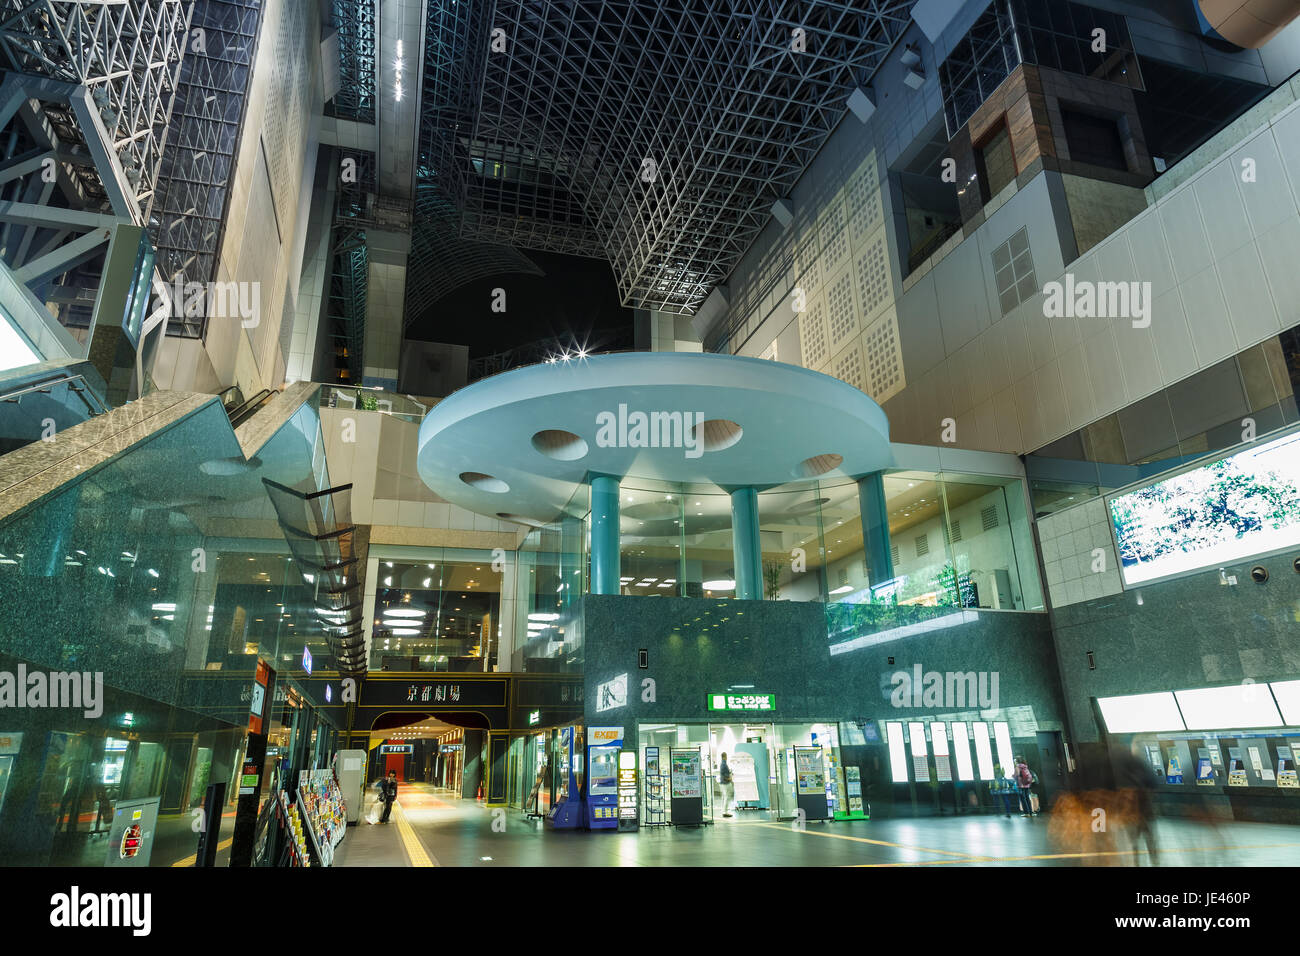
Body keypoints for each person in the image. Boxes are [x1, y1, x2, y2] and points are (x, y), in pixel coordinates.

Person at [719, 752, 735, 818]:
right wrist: (729, 779)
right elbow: (723, 774)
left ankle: (724, 811)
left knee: (725, 797)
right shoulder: (723, 764)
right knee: (726, 797)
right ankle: (725, 812)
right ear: (724, 757)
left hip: (724, 783)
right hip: (725, 783)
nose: (726, 758)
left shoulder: (723, 764)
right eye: (726, 756)